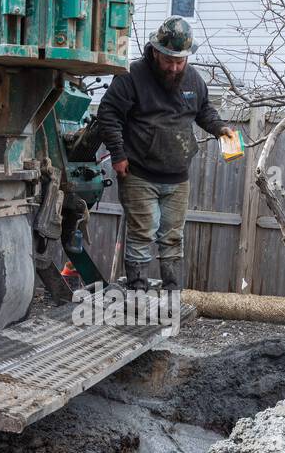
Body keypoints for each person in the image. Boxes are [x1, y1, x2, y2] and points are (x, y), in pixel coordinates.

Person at [96, 16, 238, 291]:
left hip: (178, 176)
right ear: (156, 51)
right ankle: (137, 289)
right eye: (169, 61)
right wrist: (118, 154)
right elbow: (108, 113)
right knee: (142, 233)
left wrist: (220, 128)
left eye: (180, 61)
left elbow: (203, 110)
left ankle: (171, 289)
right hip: (139, 172)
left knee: (173, 236)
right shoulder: (132, 75)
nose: (174, 67)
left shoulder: (193, 79)